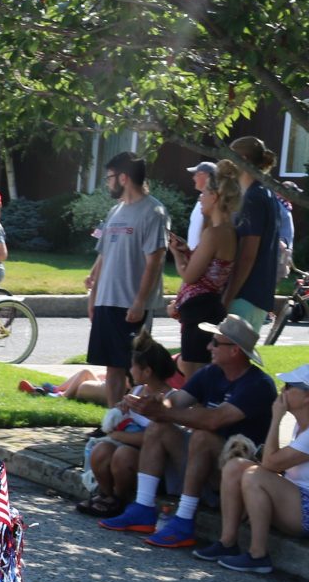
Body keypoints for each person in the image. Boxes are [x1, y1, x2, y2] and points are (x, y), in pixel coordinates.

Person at [101, 313, 277, 546]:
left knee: (202, 436)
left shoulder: (258, 385)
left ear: (235, 350)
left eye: (215, 342)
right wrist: (154, 402)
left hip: (233, 475)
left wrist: (162, 411)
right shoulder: (210, 373)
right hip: (201, 463)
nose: (209, 347)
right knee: (159, 427)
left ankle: (184, 519)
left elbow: (214, 420)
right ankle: (143, 507)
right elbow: (175, 402)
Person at [197, 362, 309, 571]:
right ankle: (227, 543)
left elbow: (270, 464)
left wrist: (276, 418)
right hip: (303, 496)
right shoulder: (305, 422)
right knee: (235, 466)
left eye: (289, 386)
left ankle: (258, 555)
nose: (283, 390)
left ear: (308, 395)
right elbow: (274, 464)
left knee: (254, 476)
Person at [84, 151, 169, 405]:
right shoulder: (115, 211)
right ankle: (113, 419)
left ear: (123, 178)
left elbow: (154, 260)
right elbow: (103, 255)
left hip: (130, 304)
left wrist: (139, 301)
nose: (108, 183)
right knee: (112, 367)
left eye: (109, 177)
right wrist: (94, 296)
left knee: (135, 368)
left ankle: (136, 420)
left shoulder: (154, 211)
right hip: (107, 301)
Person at [75, 341, 171, 517]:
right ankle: (106, 494)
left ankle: (119, 498)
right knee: (100, 449)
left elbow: (152, 438)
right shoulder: (137, 390)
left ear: (147, 371)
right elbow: (119, 423)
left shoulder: (168, 399)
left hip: (150, 462)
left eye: (133, 366)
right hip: (125, 446)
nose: (130, 370)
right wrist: (119, 412)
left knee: (123, 454)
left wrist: (117, 435)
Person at [168, 160, 240, 381]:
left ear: (215, 197)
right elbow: (210, 268)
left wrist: (176, 253)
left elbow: (190, 275)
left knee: (194, 379)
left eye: (204, 193)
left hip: (199, 310)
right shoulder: (228, 231)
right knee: (204, 377)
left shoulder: (213, 233)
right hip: (209, 307)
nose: (200, 198)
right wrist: (186, 252)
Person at [224, 135, 282, 329]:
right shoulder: (264, 192)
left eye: (230, 157)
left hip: (245, 296)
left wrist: (227, 297)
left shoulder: (253, 198)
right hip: (255, 296)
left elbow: (247, 255)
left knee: (229, 348)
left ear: (243, 160)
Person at [184, 160, 215, 251]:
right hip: (195, 254)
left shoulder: (213, 201)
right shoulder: (202, 199)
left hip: (202, 254)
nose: (193, 178)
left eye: (196, 174)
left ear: (205, 175)